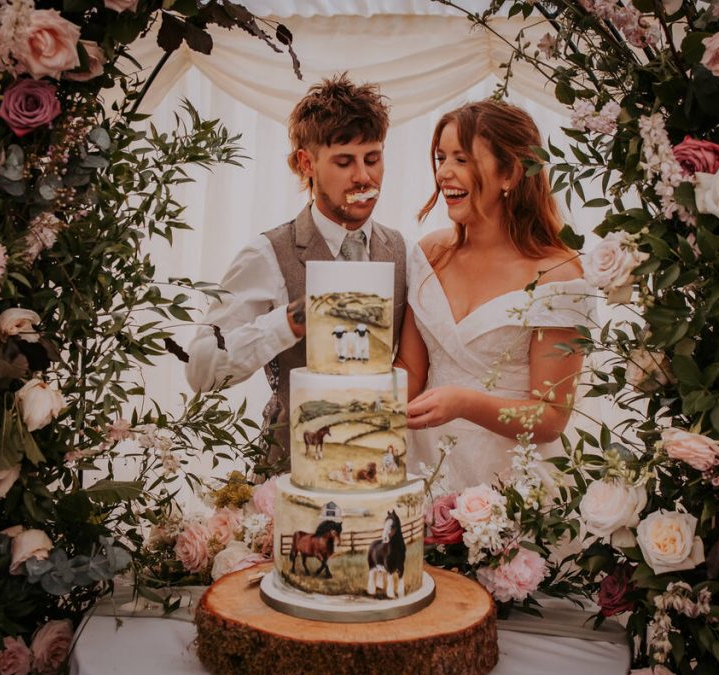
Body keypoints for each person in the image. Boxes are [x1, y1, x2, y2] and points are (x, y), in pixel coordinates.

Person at [186, 74, 407, 471]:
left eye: (372, 159)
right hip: (289, 473)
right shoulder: (266, 254)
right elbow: (201, 371)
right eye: (344, 162)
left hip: (379, 472)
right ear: (307, 163)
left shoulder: (401, 250)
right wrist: (289, 321)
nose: (364, 177)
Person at [395, 100, 596, 490]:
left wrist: (463, 403)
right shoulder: (429, 255)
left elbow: (552, 416)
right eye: (441, 157)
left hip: (512, 484)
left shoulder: (557, 275)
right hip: (422, 470)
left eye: (462, 159)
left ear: (510, 173)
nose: (444, 173)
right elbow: (410, 369)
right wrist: (356, 404)